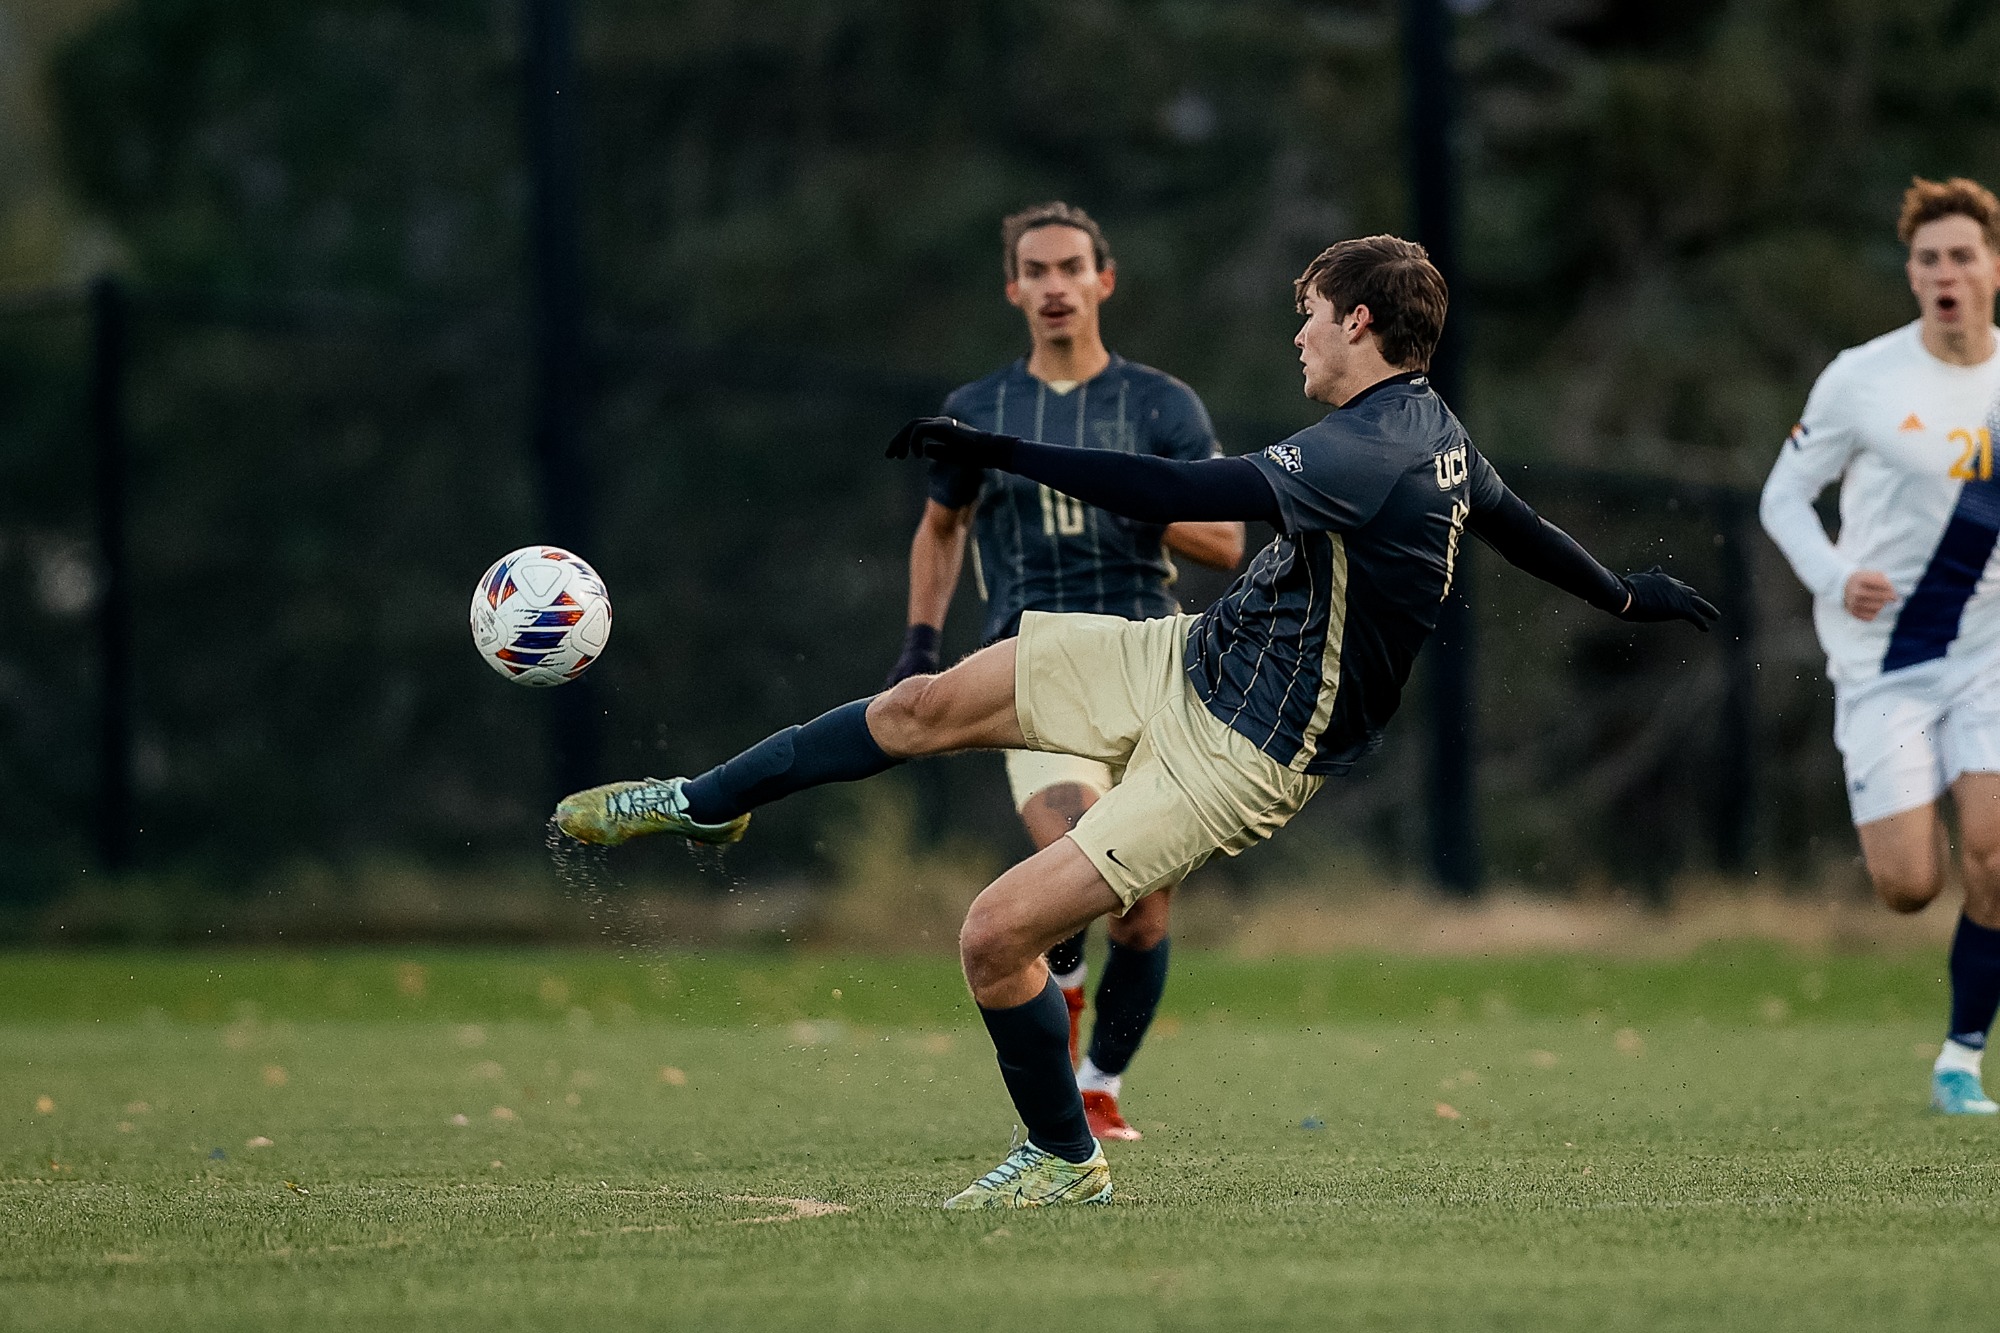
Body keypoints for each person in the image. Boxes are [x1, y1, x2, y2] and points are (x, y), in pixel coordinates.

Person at [556, 234, 1716, 1208]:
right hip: (1185, 655)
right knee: (919, 704)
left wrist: (1005, 452)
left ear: (1357, 323)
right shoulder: (1430, 430)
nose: (1298, 336)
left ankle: (1065, 1157)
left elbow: (1176, 493)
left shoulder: (1365, 448)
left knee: (990, 936)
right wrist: (1624, 594)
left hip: (1240, 754)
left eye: (1308, 316)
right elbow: (1513, 523)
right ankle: (705, 803)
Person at [888, 201, 1245, 1142]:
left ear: (1103, 281)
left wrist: (1134, 498)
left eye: (1071, 268)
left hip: (1154, 669)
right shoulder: (978, 410)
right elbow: (941, 527)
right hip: (1036, 668)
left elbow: (1225, 540)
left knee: (1142, 908)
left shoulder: (1161, 405)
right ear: (1013, 288)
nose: (1055, 285)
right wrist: (920, 647)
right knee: (1078, 850)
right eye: (1036, 270)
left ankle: (1099, 1084)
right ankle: (1064, 989)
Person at [1760, 176, 2000, 1115]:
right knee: (1909, 884)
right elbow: (1783, 496)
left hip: (1988, 656)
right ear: (1911, 274)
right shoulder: (1862, 378)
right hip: (1887, 663)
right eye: (1929, 259)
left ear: (1993, 268)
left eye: (1963, 257)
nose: (1946, 274)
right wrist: (1833, 575)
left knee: (1996, 857)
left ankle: (1961, 1059)